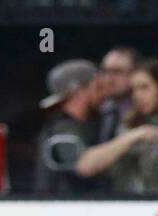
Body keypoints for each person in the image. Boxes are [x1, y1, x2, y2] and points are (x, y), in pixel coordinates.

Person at [75, 59, 158, 193]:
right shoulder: (128, 126)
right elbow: (86, 166)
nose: (137, 96)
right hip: (127, 203)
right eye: (133, 90)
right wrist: (137, 134)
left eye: (144, 87)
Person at [34, 59, 105, 194]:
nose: (103, 94)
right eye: (98, 87)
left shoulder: (84, 124)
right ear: (79, 91)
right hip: (61, 208)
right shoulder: (61, 129)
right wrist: (134, 136)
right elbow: (83, 165)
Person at [97, 45, 139, 143]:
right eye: (105, 71)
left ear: (135, 74)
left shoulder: (143, 110)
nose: (108, 79)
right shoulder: (96, 109)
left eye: (117, 72)